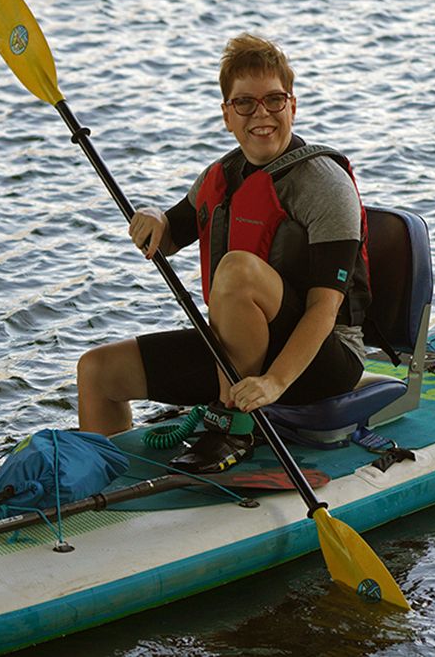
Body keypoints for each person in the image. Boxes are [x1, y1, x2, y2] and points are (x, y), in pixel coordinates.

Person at [76, 33, 371, 473]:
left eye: (274, 100)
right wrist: (153, 217)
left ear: (292, 105)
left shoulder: (324, 183)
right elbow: (169, 231)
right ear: (227, 115)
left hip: (320, 360)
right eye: (245, 103)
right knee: (98, 371)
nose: (262, 114)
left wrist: (274, 382)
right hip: (235, 355)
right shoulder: (221, 175)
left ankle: (232, 427)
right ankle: (105, 485)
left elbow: (325, 310)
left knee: (236, 270)